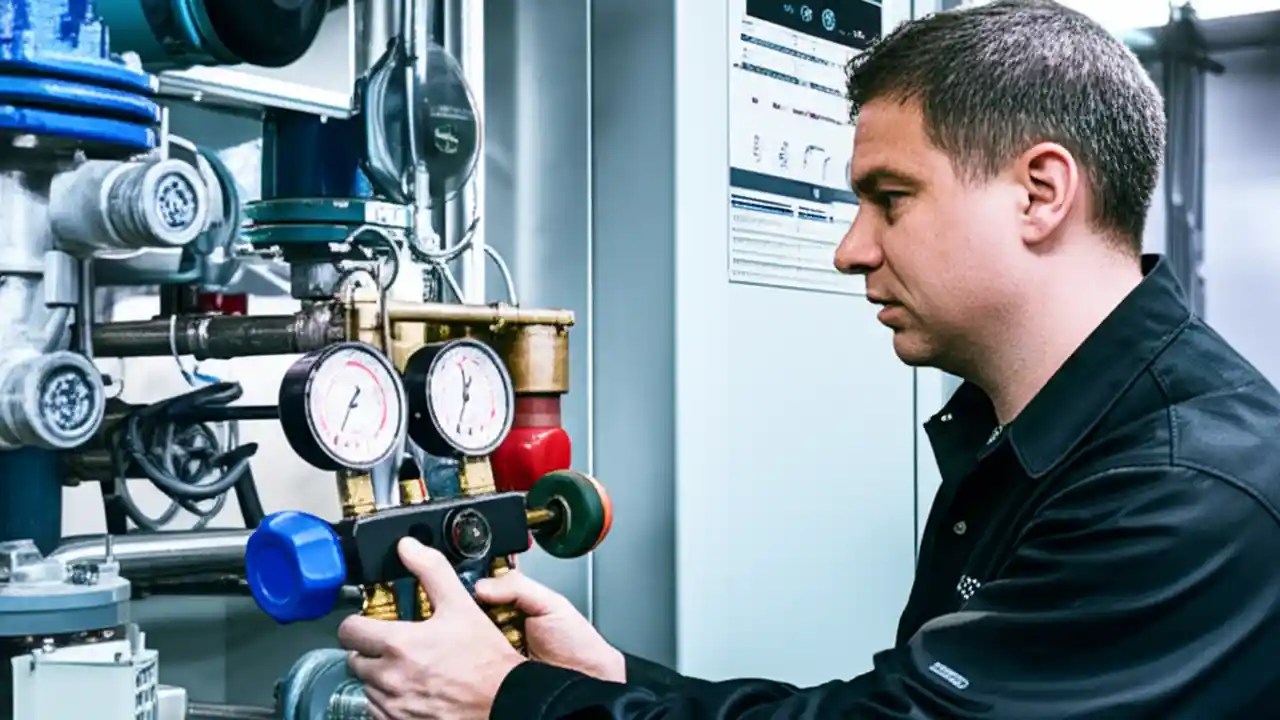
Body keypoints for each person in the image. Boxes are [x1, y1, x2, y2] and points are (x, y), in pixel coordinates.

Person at [335, 1, 1280, 717]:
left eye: (891, 198)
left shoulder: (1180, 490)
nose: (850, 249)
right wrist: (609, 680)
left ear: (1040, 193)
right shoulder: (1029, 430)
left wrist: (512, 700)